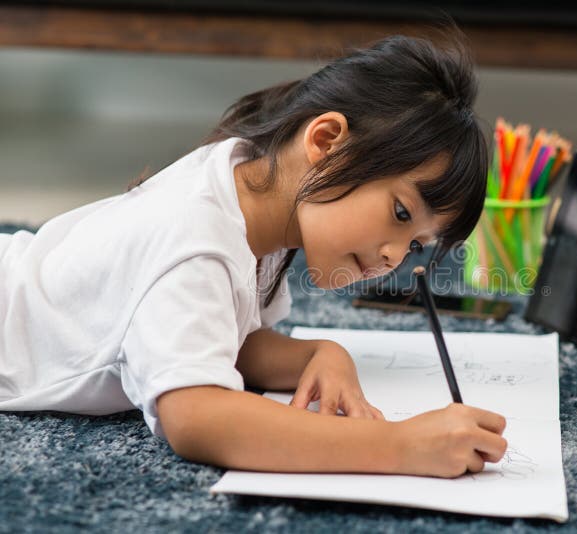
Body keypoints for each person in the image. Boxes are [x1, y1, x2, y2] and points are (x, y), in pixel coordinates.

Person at [0, 32, 507, 478]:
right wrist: (401, 446)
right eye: (400, 213)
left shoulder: (250, 184)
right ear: (327, 140)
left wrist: (320, 353)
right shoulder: (195, 239)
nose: (396, 256)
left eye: (418, 244)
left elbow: (220, 335)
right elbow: (196, 416)